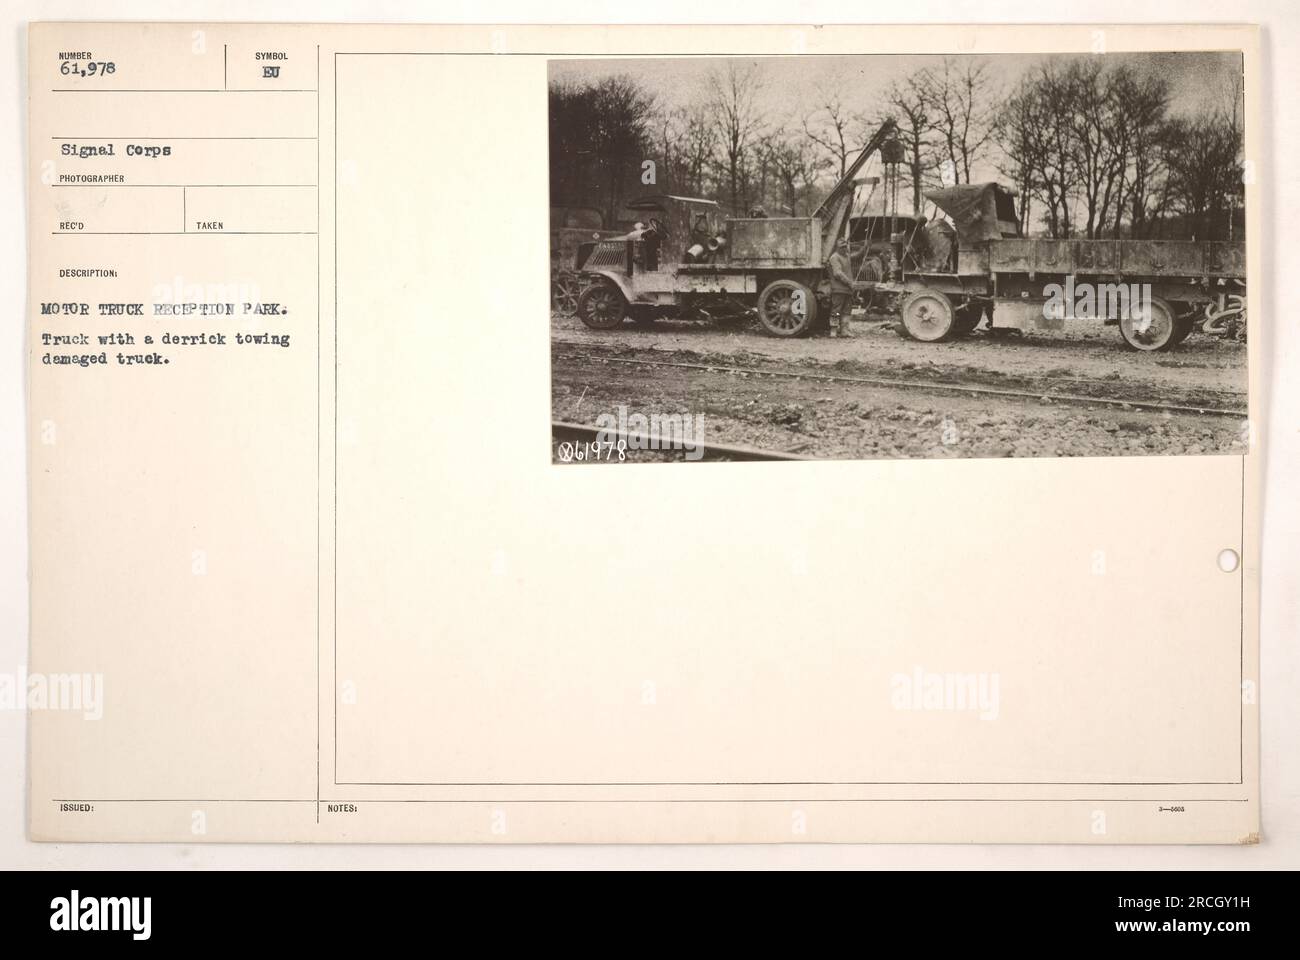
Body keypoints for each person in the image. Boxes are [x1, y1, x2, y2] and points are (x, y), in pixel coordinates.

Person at [827, 238, 855, 338]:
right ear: (837, 248)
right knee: (836, 310)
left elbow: (855, 256)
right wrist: (849, 283)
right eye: (842, 247)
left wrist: (864, 249)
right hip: (839, 288)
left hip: (847, 289)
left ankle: (844, 331)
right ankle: (833, 331)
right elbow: (837, 273)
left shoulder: (846, 257)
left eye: (845, 246)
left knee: (847, 310)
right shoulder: (834, 257)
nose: (844, 249)